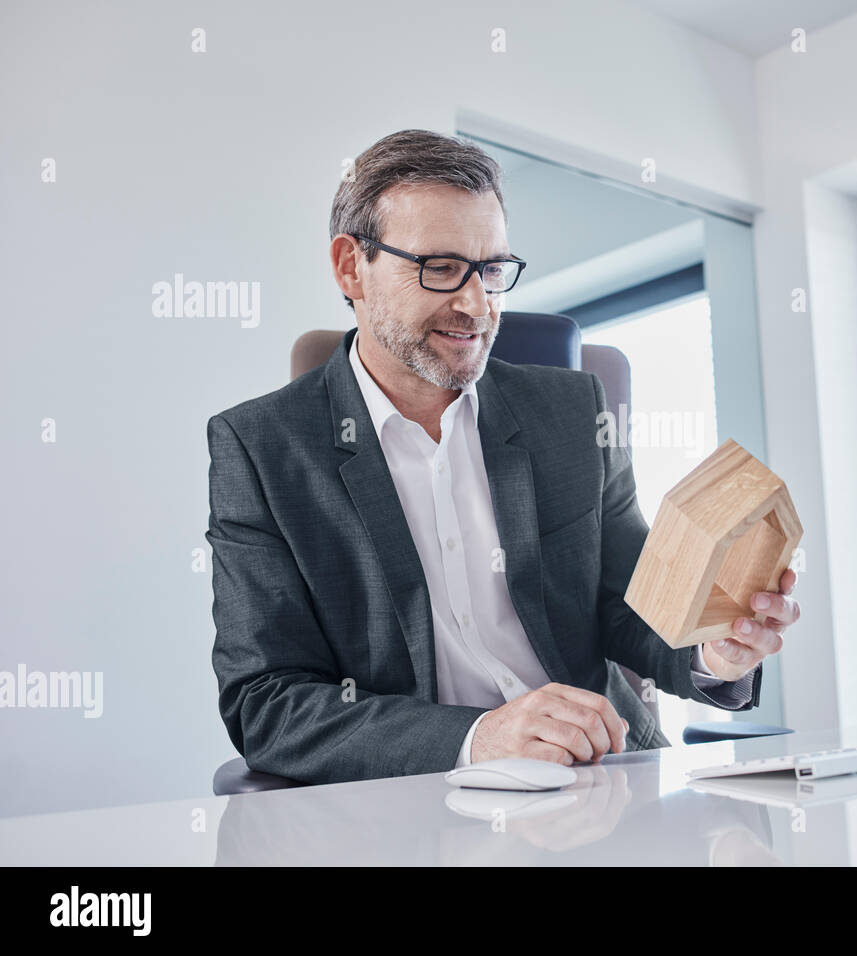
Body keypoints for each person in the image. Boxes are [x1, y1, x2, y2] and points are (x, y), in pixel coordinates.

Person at [207, 129, 800, 783]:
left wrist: (713, 651)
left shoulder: (571, 412)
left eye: (491, 270)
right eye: (439, 267)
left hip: (602, 780)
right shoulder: (261, 449)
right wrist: (477, 738)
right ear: (352, 268)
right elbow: (266, 705)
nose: (477, 305)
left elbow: (629, 608)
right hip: (416, 802)